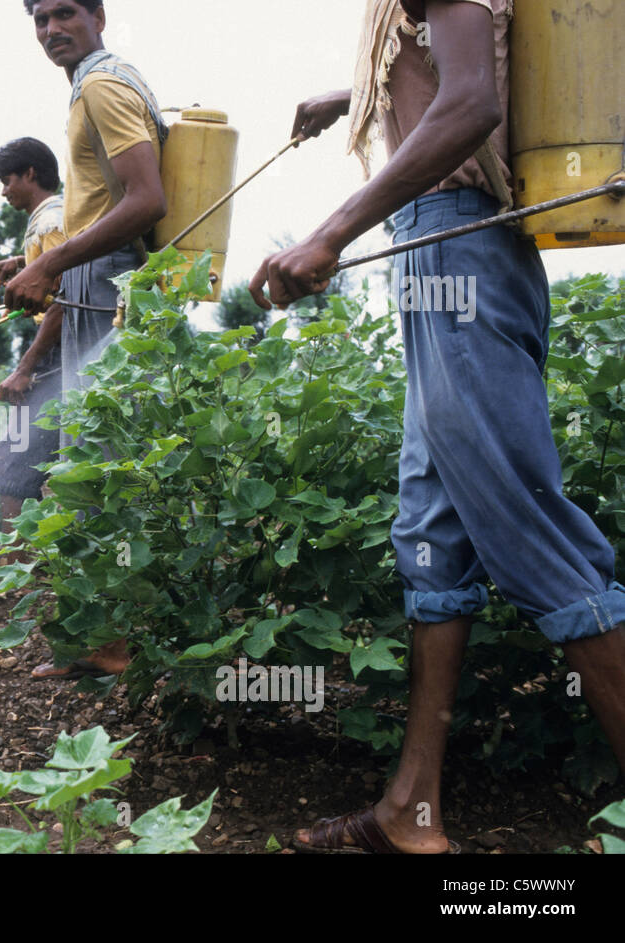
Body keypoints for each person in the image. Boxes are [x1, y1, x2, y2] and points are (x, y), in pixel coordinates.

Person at [248, 0, 625, 853]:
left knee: (534, 533)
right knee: (435, 535)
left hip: (456, 245)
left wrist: (333, 230)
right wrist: (353, 96)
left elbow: (473, 105)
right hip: (442, 250)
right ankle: (410, 812)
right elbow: (466, 60)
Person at [4, 0, 167, 680]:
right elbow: (103, 203)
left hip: (108, 289)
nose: (50, 31)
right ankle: (105, 638)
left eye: (64, 12)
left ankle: (118, 647)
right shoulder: (93, 84)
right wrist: (34, 262)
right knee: (89, 460)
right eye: (39, 19)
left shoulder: (101, 84)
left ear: (99, 12)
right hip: (94, 279)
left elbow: (146, 199)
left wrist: (52, 262)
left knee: (99, 462)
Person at [0, 139, 68, 546]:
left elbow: (66, 301)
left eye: (7, 180)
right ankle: (24, 566)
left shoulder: (50, 220)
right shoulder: (54, 217)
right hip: (66, 351)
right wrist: (21, 263)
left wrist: (25, 369)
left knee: (15, 458)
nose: (4, 191)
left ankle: (16, 574)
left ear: (30, 175)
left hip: (64, 351)